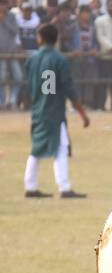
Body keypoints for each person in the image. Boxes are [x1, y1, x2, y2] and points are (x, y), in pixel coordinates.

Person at [23, 23, 90, 199]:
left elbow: (30, 85)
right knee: (61, 147)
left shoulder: (32, 59)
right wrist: (82, 113)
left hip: (38, 108)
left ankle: (30, 186)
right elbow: (64, 89)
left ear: (41, 38)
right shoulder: (58, 59)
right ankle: (64, 187)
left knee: (37, 147)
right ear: (55, 39)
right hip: (53, 110)